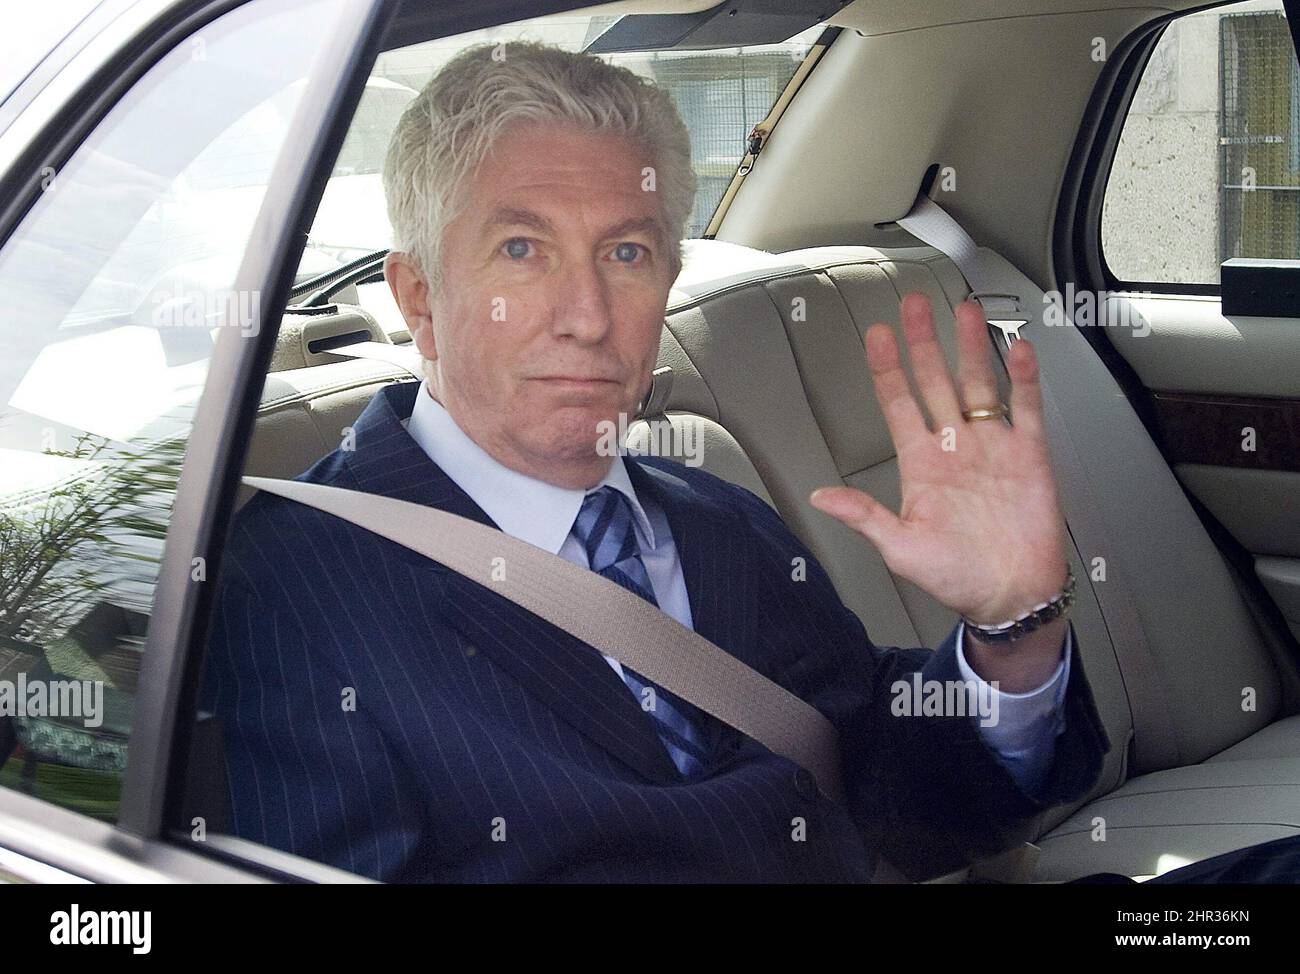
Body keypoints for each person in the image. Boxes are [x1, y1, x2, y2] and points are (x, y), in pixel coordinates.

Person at [199, 40, 1110, 883]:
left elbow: (896, 793)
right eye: (523, 250)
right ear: (420, 294)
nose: (589, 315)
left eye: (626, 252)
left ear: (667, 278)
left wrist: (1012, 633)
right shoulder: (284, 590)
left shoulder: (717, 517)